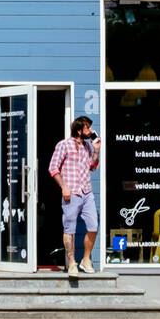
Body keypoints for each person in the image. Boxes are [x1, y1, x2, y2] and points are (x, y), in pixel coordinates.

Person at [48, 115, 101, 275]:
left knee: (93, 226)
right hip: (72, 192)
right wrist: (64, 187)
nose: (90, 131)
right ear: (79, 130)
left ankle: (86, 260)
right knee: (69, 228)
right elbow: (53, 168)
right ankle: (71, 263)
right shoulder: (63, 145)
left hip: (86, 191)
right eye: (87, 128)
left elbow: (92, 167)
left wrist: (96, 151)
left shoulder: (87, 146)